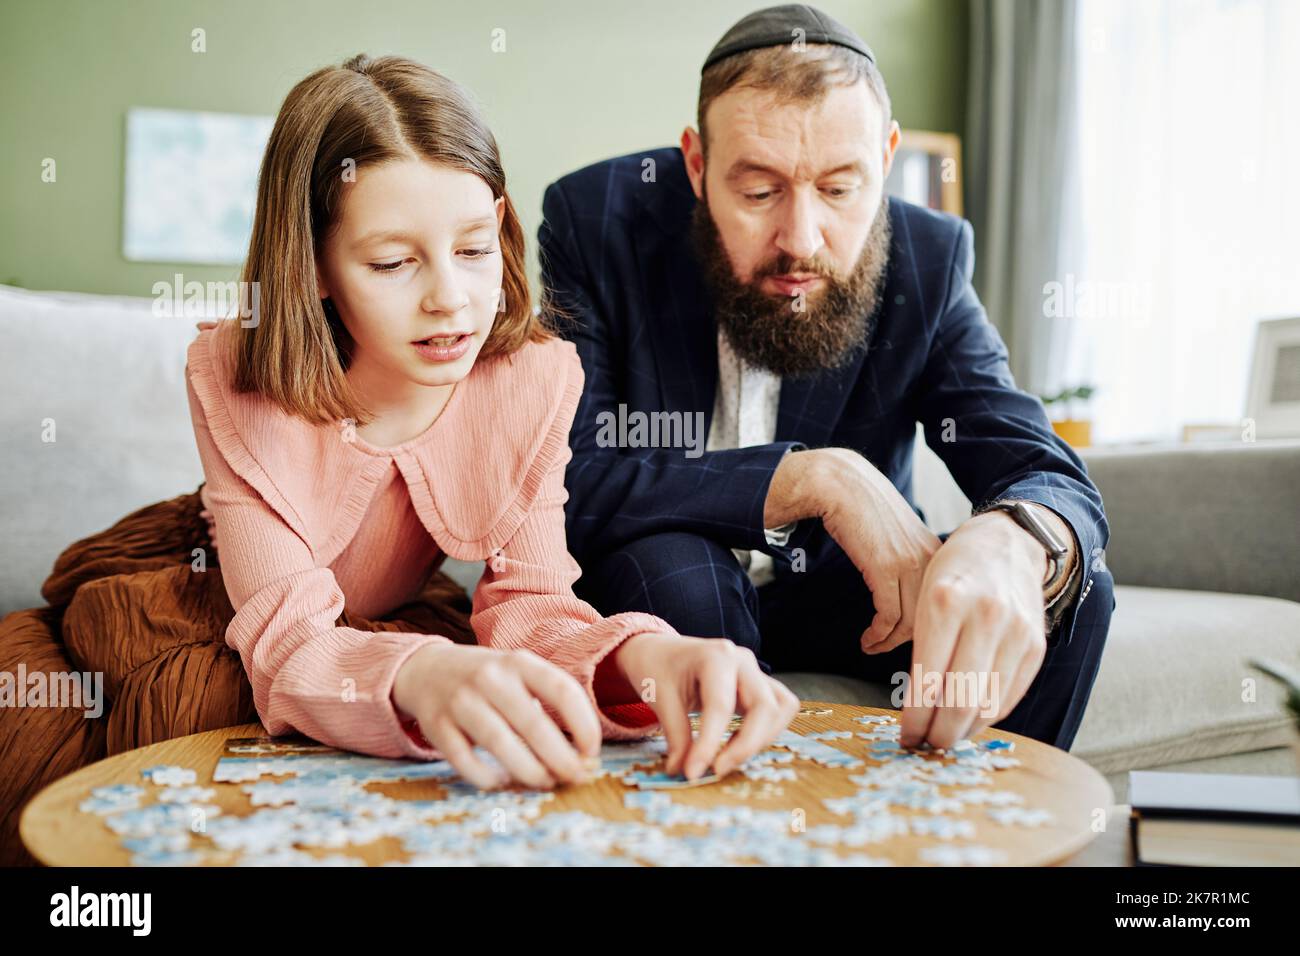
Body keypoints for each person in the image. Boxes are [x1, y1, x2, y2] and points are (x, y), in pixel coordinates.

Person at [186, 52, 799, 789]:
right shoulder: (231, 374)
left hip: (390, 625)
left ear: (499, 224)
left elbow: (532, 606)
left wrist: (644, 656)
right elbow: (288, 640)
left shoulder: (532, 379)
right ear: (310, 264)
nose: (451, 298)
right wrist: (424, 672)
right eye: (391, 264)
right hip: (232, 609)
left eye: (474, 249)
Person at [539, 5, 1115, 753]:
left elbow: (1038, 466)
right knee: (676, 568)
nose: (801, 239)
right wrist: (815, 479)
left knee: (1071, 589)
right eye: (757, 193)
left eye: (842, 189)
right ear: (696, 165)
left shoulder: (929, 257)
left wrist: (1016, 538)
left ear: (887, 155)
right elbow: (566, 479)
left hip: (849, 597)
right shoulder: (597, 220)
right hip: (666, 575)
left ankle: (966, 840)